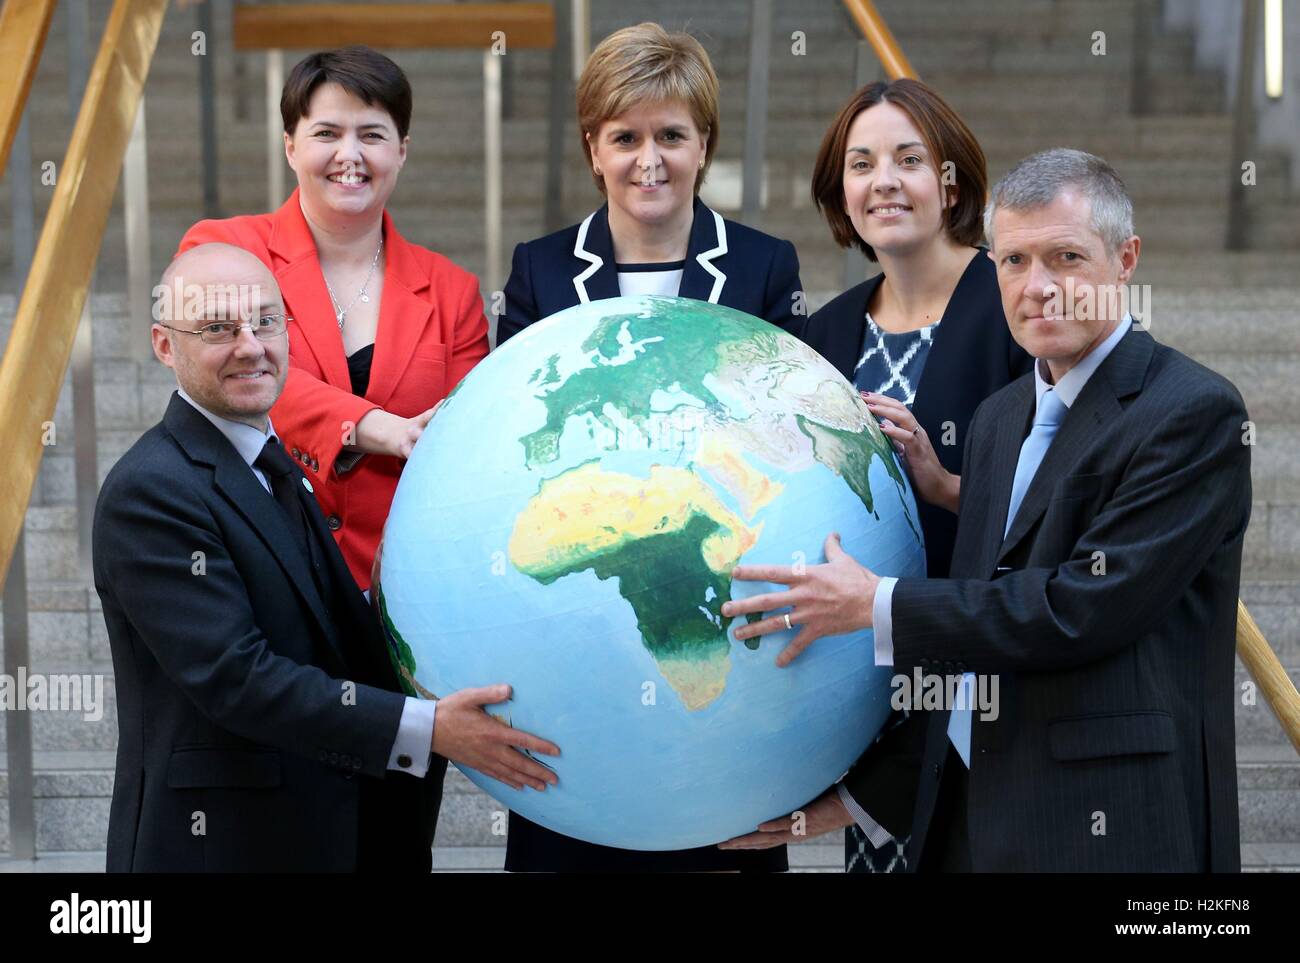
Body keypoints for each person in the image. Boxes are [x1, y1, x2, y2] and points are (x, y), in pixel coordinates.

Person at [721, 149, 1249, 872]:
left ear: (1126, 259)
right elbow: (969, 657)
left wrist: (876, 604)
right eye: (1013, 261)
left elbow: (1078, 612)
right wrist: (856, 799)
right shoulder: (999, 419)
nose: (1039, 288)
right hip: (966, 826)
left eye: (1066, 257)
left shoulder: (1190, 413)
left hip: (1111, 833)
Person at [94, 244, 558, 871]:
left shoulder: (270, 457)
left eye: (264, 320)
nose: (250, 345)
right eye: (216, 329)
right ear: (164, 345)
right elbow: (239, 678)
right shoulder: (152, 490)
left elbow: (316, 627)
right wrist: (428, 728)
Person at [497, 22, 802, 873]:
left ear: (705, 144)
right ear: (593, 148)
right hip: (590, 602)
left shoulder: (763, 268)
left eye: (672, 135)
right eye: (624, 137)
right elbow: (519, 442)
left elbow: (779, 442)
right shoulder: (541, 271)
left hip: (718, 587)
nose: (649, 159)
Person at [785, 79, 1032, 872]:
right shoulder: (825, 331)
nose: (883, 180)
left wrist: (949, 485)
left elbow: (1063, 511)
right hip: (869, 699)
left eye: (908, 159)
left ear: (950, 182)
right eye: (861, 164)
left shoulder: (1016, 311)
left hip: (988, 709)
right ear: (841, 191)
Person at [178, 45, 488, 591]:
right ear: (290, 145)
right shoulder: (223, 250)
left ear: (402, 151)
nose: (351, 154)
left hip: (400, 587)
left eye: (372, 134)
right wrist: (378, 428)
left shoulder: (452, 292)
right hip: (257, 572)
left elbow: (465, 440)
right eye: (326, 133)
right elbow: (245, 373)